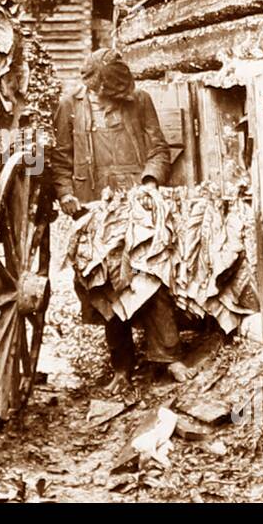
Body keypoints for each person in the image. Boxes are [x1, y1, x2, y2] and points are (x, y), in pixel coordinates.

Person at [50, 49, 194, 400]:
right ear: (93, 86)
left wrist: (149, 183)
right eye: (104, 93)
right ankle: (122, 366)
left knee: (149, 274)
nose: (109, 99)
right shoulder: (71, 106)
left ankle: (168, 356)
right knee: (105, 285)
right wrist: (67, 194)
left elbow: (158, 148)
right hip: (92, 206)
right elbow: (60, 160)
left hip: (134, 203)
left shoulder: (140, 101)